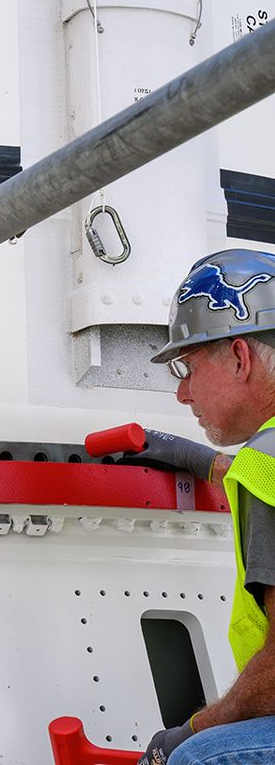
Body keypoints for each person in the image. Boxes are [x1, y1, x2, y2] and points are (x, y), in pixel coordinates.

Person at [124, 249, 275, 765]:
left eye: (187, 368)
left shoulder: (264, 466)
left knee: (200, 757)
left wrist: (187, 732)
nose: (182, 394)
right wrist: (204, 461)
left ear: (240, 357)